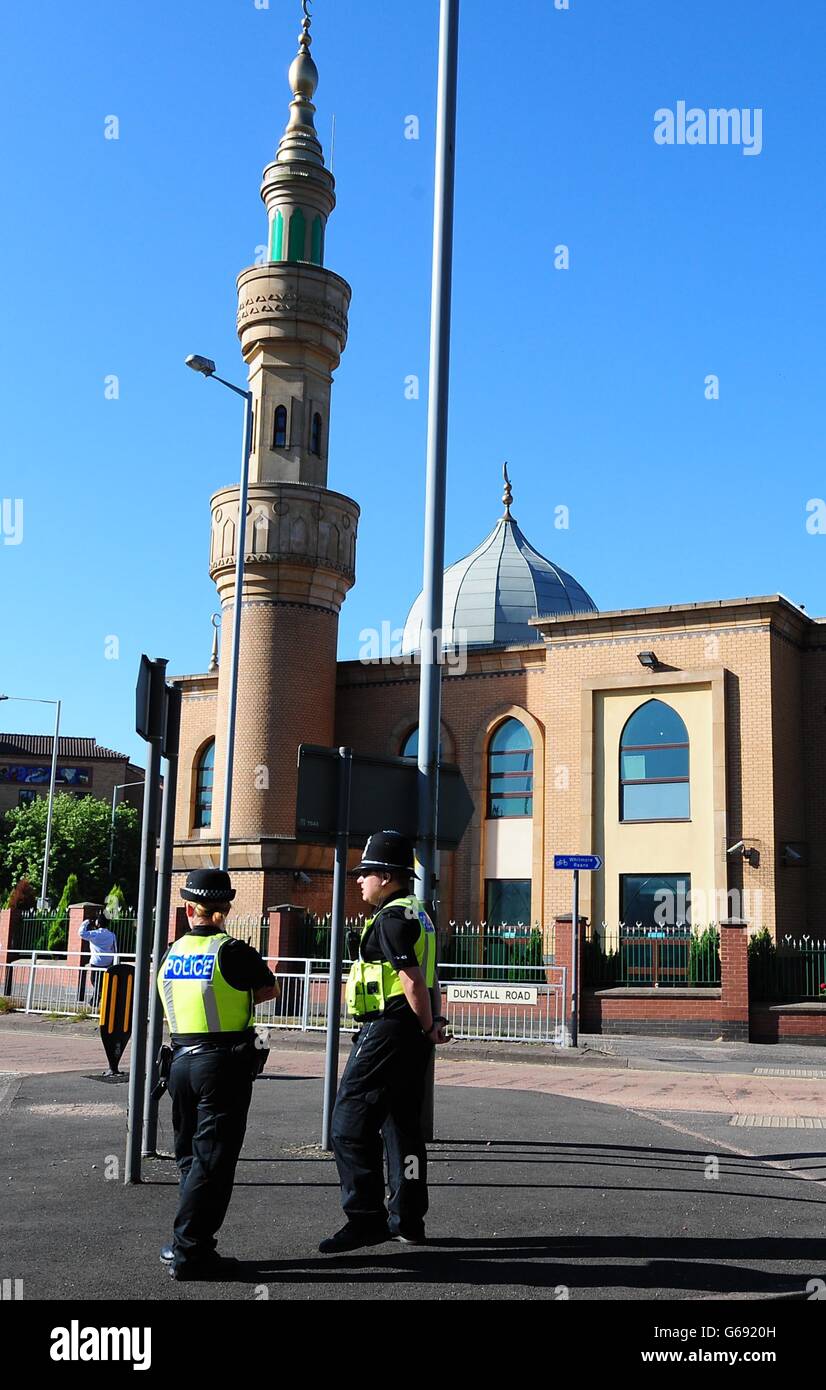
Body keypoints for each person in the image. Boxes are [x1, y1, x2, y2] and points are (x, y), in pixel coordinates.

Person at [319, 830, 449, 1254]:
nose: (359, 880)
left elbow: (411, 980)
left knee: (347, 1123)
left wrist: (428, 1024)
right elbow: (430, 977)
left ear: (388, 877)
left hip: (388, 1028)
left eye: (367, 873)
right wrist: (432, 1024)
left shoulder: (392, 918)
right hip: (410, 1032)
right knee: (402, 1127)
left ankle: (365, 1219)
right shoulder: (420, 913)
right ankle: (408, 1219)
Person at [156, 868, 280, 1281]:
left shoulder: (172, 951)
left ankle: (185, 1244)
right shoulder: (233, 951)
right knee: (213, 1160)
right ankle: (191, 1252)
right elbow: (270, 989)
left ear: (189, 907)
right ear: (224, 910)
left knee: (190, 1157)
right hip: (222, 1064)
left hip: (178, 1061)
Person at [79, 912, 117, 1009]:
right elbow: (115, 948)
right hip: (108, 962)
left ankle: (94, 1001)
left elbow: (81, 933)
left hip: (96, 962)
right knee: (102, 982)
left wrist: (86, 922)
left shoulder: (94, 934)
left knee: (94, 981)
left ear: (98, 924)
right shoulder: (112, 935)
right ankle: (96, 999)